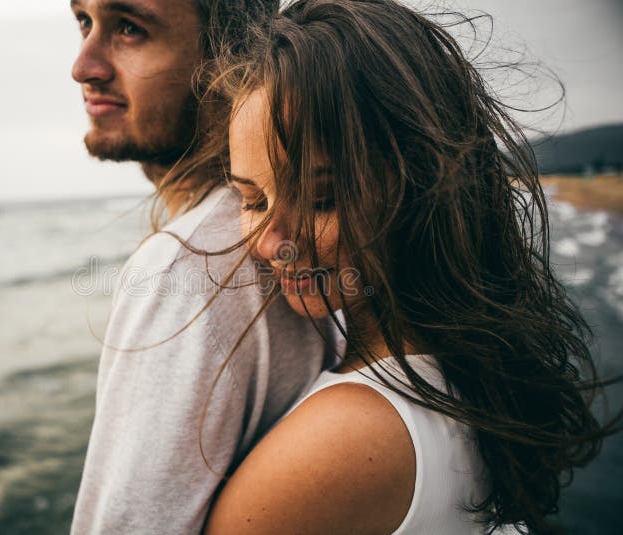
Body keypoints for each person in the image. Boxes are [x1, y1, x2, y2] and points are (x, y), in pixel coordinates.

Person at [167, 1, 618, 533]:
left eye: (322, 199)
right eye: (253, 199)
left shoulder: (346, 441)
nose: (270, 243)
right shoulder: (476, 374)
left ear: (429, 187)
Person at [67, 1, 334, 533]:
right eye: (83, 22)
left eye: (130, 28)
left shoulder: (188, 266)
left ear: (224, 55)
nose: (84, 66)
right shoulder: (285, 231)